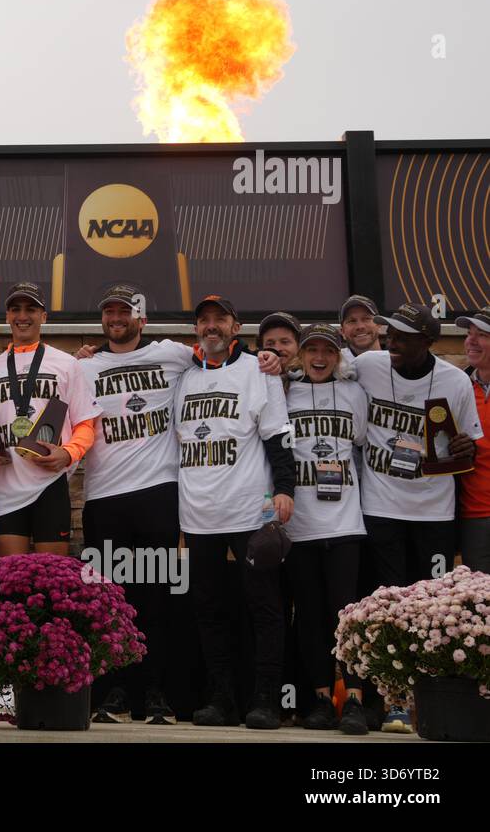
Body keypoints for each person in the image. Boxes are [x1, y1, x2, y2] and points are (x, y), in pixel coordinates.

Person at [77, 285, 279, 725]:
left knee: (156, 600)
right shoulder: (86, 366)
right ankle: (114, 692)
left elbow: (223, 353)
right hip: (103, 499)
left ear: (142, 319)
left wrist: (269, 356)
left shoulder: (172, 355)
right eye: (109, 311)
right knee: (108, 597)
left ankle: (154, 692)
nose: (116, 318)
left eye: (124, 311)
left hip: (159, 494)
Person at [354, 303, 481, 732]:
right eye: (390, 333)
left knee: (431, 609)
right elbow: (324, 365)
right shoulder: (370, 365)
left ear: (427, 342)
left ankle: (431, 700)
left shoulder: (454, 380)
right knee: (389, 608)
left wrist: (466, 450)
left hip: (433, 512)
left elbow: (469, 444)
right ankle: (393, 702)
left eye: (404, 337)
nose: (392, 341)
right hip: (380, 507)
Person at [175, 295, 295, 730]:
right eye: (204, 321)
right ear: (196, 332)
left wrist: (284, 489)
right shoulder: (184, 378)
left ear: (234, 326)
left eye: (219, 320)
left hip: (250, 512)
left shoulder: (258, 371)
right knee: (209, 609)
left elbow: (279, 437)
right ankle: (221, 695)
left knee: (264, 607)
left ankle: (265, 698)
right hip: (198, 515)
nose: (211, 327)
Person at [281, 324, 370, 735]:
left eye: (328, 351)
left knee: (347, 615)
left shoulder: (355, 393)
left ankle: (353, 699)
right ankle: (319, 699)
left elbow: (365, 445)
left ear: (339, 356)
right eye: (311, 349)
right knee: (311, 617)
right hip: (300, 526)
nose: (319, 357)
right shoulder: (284, 393)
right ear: (300, 354)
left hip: (346, 522)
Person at [0, 281, 99, 558]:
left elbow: (86, 423)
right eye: (15, 309)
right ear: (7, 316)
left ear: (44, 316)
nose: (22, 316)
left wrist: (69, 454)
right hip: (6, 486)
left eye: (31, 309)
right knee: (12, 580)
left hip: (50, 482)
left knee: (53, 577)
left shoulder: (66, 363)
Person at [455, 305, 490, 572]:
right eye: (469, 333)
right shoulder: (458, 386)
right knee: (479, 604)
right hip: (474, 514)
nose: (472, 341)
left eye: (483, 334)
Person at [258, 311, 302, 378]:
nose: (277, 349)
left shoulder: (316, 377)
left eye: (285, 342)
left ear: (299, 345)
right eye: (270, 344)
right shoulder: (250, 377)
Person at [338, 295, 382, 362]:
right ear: (342, 331)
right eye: (352, 321)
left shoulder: (398, 361)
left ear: (379, 324)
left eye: (366, 319)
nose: (360, 326)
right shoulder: (334, 365)